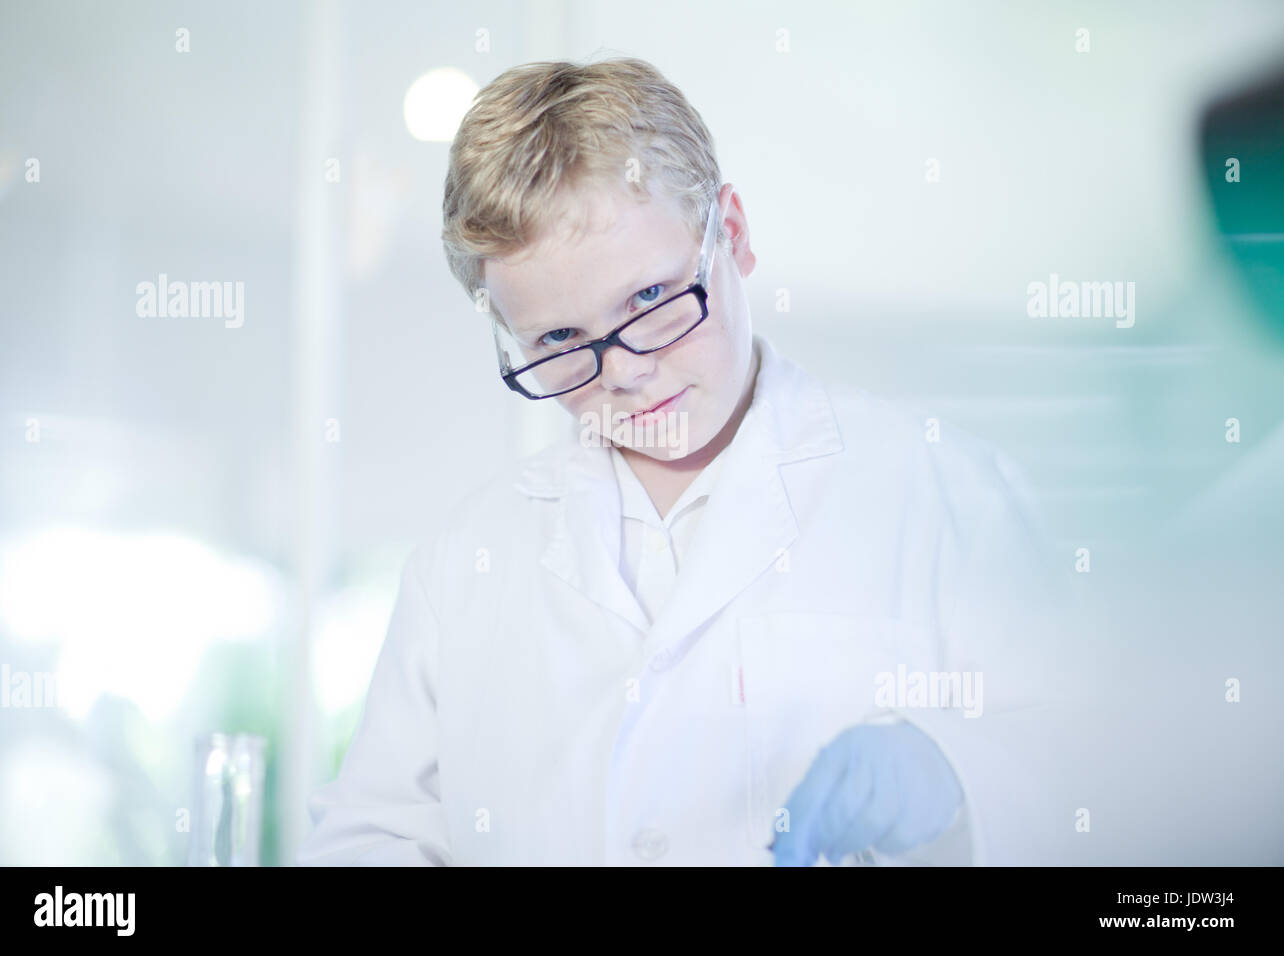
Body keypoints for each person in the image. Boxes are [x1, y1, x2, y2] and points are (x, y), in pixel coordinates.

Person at [296, 57, 1072, 867]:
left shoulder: (942, 493)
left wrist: (962, 784)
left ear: (731, 236)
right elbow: (374, 838)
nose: (624, 370)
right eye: (559, 341)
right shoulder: (464, 564)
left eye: (650, 301)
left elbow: (1098, 788)